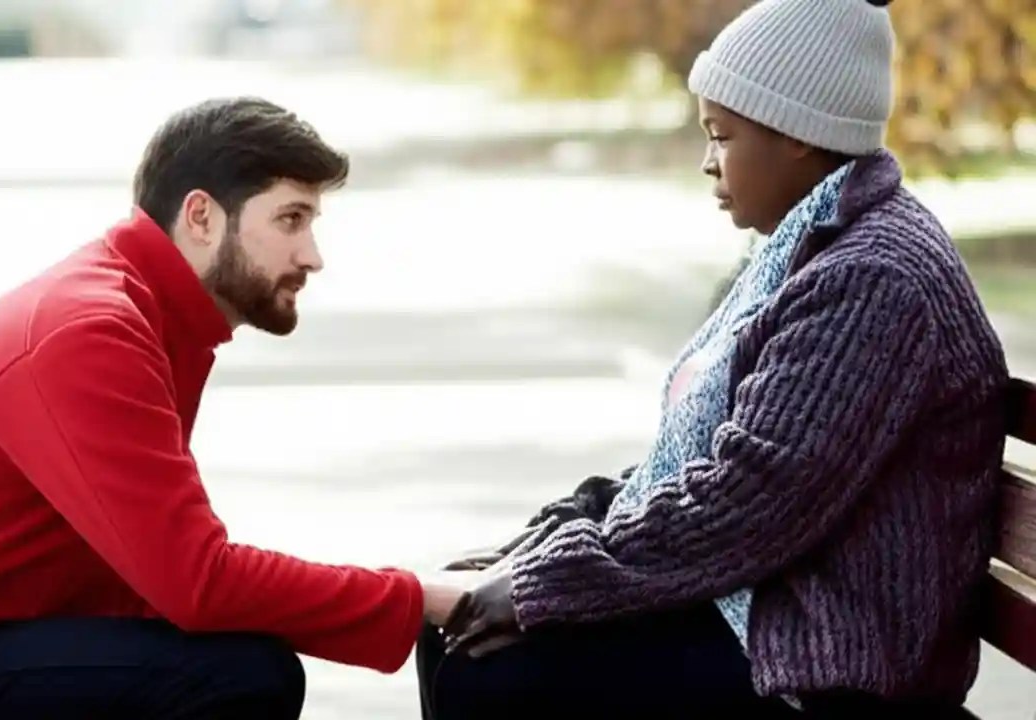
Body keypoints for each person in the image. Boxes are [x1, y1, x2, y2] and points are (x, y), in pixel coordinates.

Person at [0, 96, 469, 720]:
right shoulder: (91, 332)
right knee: (239, 678)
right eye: (291, 219)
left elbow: (153, 579)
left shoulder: (142, 316)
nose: (312, 254)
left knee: (231, 656)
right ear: (200, 216)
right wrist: (428, 600)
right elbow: (196, 582)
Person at [417, 0, 1010, 717]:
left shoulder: (873, 277)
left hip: (829, 664)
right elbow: (701, 467)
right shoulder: (814, 248)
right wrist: (548, 539)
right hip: (762, 609)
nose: (707, 161)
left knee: (490, 670)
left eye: (721, 135)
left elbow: (749, 498)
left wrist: (547, 582)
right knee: (456, 629)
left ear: (797, 135)